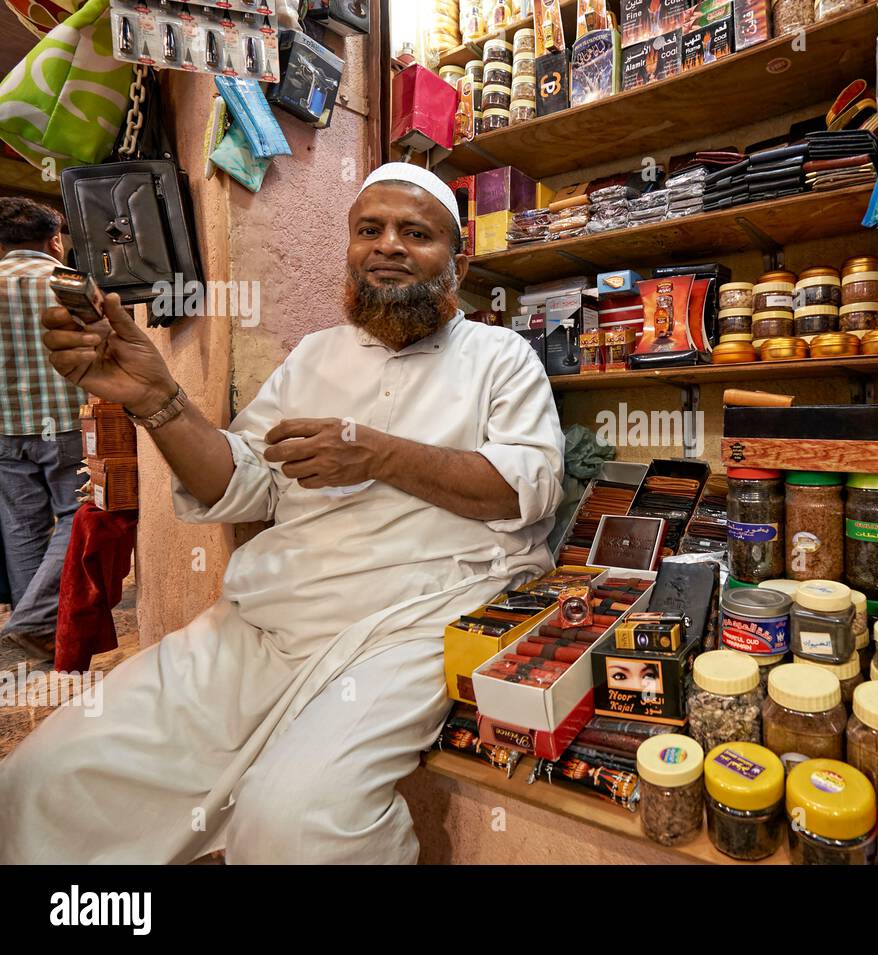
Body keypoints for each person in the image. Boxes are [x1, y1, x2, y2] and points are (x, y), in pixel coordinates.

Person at [0, 164, 565, 863]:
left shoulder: (500, 357)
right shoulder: (315, 356)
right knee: (42, 775)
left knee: (297, 824)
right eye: (369, 230)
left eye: (415, 233)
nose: (387, 245)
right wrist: (157, 400)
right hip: (272, 619)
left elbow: (527, 487)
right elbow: (242, 478)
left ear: (459, 259)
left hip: (414, 623)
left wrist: (376, 453)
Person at [0, 198, 85, 662]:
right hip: (67, 423)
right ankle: (34, 622)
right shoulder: (68, 283)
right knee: (77, 513)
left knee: (22, 525)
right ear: (55, 240)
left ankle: (32, 628)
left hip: (4, 429)